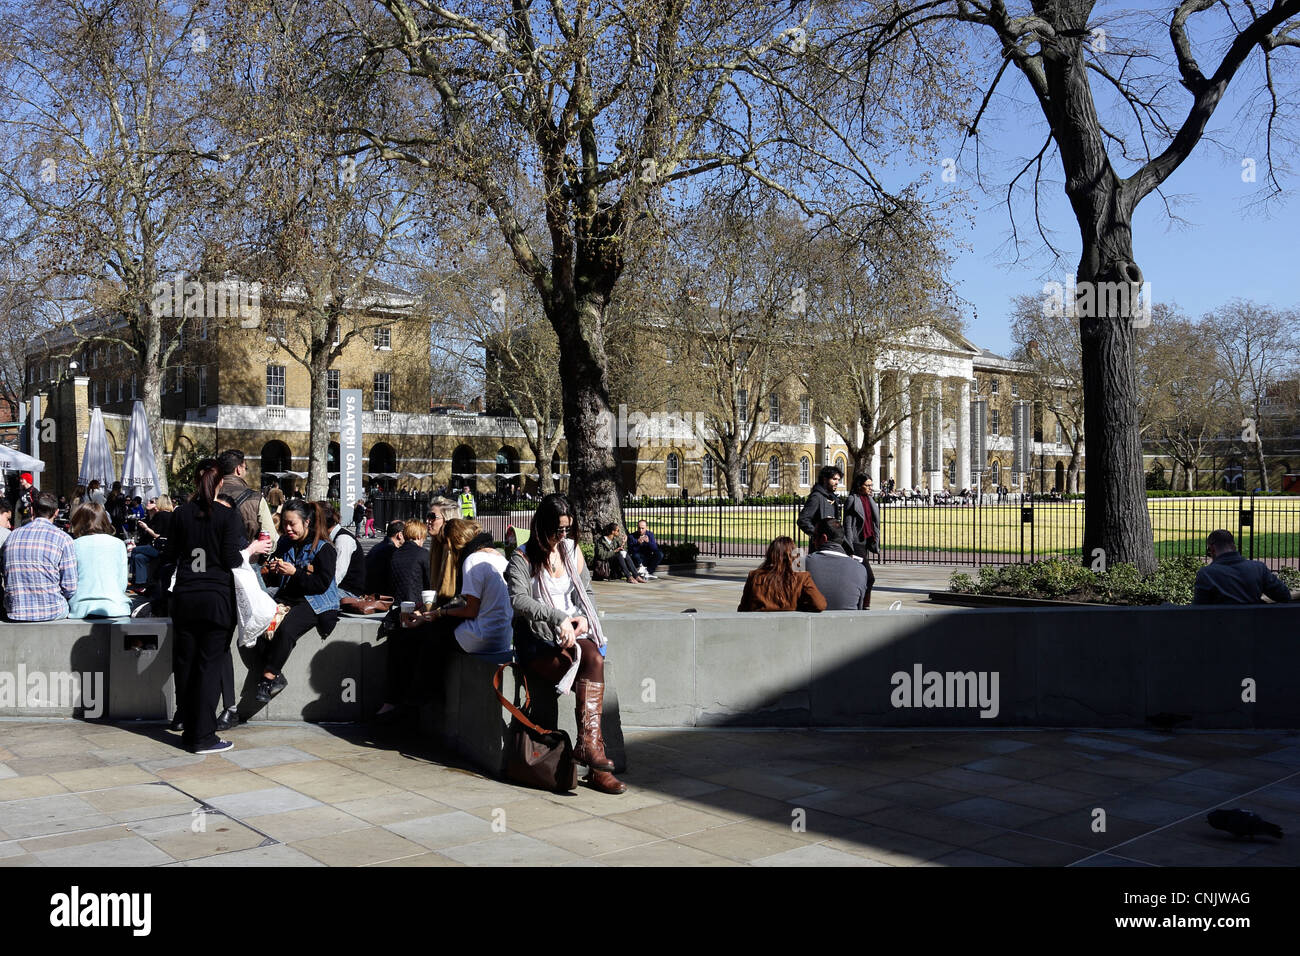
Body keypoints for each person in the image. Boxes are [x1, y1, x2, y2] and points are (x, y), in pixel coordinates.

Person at [505, 494, 625, 794]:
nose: (563, 536)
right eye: (558, 530)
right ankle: (593, 758)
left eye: (568, 529)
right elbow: (518, 601)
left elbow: (586, 592)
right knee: (591, 659)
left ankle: (590, 751)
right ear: (542, 527)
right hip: (537, 640)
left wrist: (584, 618)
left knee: (592, 657)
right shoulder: (522, 558)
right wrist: (557, 617)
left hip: (573, 634)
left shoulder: (571, 551)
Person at [163, 458, 272, 753]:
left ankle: (189, 729)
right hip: (216, 600)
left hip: (185, 597)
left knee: (185, 665)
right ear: (220, 482)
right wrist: (249, 550)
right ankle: (203, 736)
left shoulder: (181, 514)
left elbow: (169, 554)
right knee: (209, 667)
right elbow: (232, 559)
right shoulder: (227, 516)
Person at [253, 499, 341, 702]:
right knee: (258, 624)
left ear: (307, 522)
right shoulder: (285, 542)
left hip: (316, 601)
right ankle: (276, 674)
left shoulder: (324, 548)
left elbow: (321, 584)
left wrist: (295, 572)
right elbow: (276, 577)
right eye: (285, 523)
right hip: (288, 596)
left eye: (292, 523)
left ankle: (268, 679)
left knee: (286, 629)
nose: (287, 528)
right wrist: (274, 570)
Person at [1, 492, 77, 621]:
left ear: (31, 510)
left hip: (16, 610)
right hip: (53, 610)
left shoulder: (12, 536)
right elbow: (70, 587)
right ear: (56, 512)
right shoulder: (63, 539)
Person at [65, 503, 132, 619]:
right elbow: (122, 583)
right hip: (117, 607)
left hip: (81, 608)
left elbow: (68, 583)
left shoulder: (73, 545)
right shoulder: (119, 544)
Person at [1193, 530, 1292, 605]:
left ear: (1212, 549)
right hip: (1256, 628)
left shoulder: (1206, 574)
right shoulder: (1258, 568)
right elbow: (1284, 595)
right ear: (1234, 547)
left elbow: (1199, 610)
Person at [738, 536, 827, 613]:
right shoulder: (801, 577)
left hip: (761, 628)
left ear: (770, 554)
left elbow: (742, 609)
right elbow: (820, 604)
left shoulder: (755, 576)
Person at [804, 518, 870, 611]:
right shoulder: (860, 569)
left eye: (814, 537)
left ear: (824, 538)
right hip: (847, 623)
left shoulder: (802, 564)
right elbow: (859, 606)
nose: (813, 541)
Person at [218, 450, 275, 544]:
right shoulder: (255, 498)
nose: (246, 471)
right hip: (245, 555)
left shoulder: (206, 494)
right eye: (246, 468)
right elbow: (270, 539)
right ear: (238, 469)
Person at [840, 473, 880, 608]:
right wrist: (849, 546)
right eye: (867, 485)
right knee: (869, 577)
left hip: (866, 542)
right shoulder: (853, 500)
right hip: (856, 544)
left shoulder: (870, 500)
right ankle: (864, 606)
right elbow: (848, 525)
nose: (870, 488)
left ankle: (861, 603)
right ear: (859, 486)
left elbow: (874, 522)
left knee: (861, 576)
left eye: (871, 485)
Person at [130, 496, 174, 592]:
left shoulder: (160, 515)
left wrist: (146, 527)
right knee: (139, 557)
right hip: (168, 549)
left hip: (159, 548)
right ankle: (141, 584)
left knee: (134, 550)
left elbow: (156, 535)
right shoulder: (173, 515)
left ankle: (134, 578)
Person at [324, 503, 366, 600]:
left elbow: (338, 574)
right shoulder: (330, 538)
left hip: (348, 592)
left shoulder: (343, 539)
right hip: (339, 588)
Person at [797, 465, 842, 540]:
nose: (837, 482)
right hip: (820, 545)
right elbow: (803, 520)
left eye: (838, 480)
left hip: (833, 543)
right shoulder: (816, 497)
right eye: (834, 479)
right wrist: (817, 535)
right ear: (825, 479)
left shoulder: (833, 497)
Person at [364, 519, 405, 596]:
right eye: (406, 533)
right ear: (400, 535)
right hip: (380, 595)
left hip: (369, 590)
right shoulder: (392, 551)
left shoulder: (378, 546)